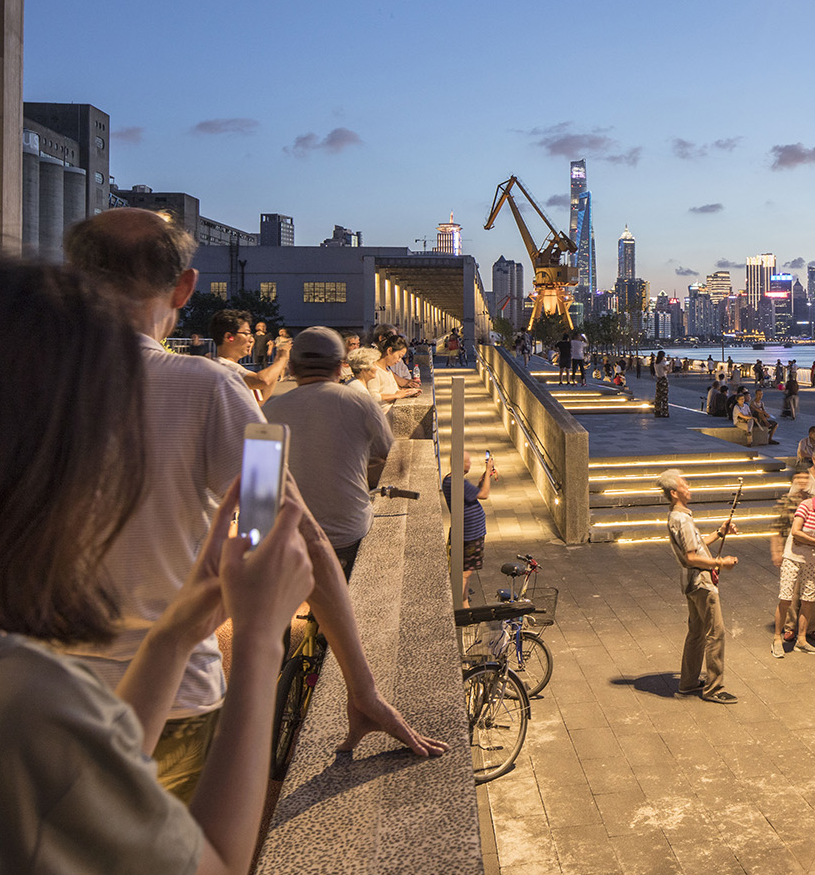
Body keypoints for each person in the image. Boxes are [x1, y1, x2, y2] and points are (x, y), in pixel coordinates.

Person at [0, 247, 317, 875]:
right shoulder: (16, 706)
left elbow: (81, 778)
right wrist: (260, 641)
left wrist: (174, 636)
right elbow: (215, 872)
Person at [62, 209, 444, 799]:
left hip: (29, 699)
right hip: (170, 702)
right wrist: (361, 688)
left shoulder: (1, 385)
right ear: (184, 288)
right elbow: (285, 532)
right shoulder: (211, 388)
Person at [262, 328, 396, 580]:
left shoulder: (270, 412)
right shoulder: (362, 404)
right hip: (349, 529)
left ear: (291, 368)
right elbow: (392, 459)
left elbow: (259, 488)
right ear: (339, 368)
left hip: (293, 534)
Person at [660, 469, 739, 704]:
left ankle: (688, 683)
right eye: (684, 485)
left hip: (690, 584)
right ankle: (714, 688)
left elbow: (695, 545)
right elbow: (692, 558)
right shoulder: (682, 519)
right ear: (674, 493)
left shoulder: (678, 516)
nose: (689, 487)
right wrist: (720, 563)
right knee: (716, 633)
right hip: (701, 584)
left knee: (696, 634)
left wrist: (719, 533)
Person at [774, 476, 815, 657]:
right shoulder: (807, 505)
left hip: (811, 560)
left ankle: (802, 639)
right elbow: (796, 532)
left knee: (808, 600)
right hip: (793, 557)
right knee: (786, 598)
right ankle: (777, 638)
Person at [440, 453, 493, 601]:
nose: (470, 464)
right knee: (465, 572)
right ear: (459, 463)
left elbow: (472, 494)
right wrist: (488, 472)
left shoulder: (450, 479)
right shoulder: (458, 482)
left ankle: (463, 599)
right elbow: (484, 494)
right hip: (470, 533)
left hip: (470, 531)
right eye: (467, 461)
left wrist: (484, 479)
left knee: (465, 571)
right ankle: (462, 604)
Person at [209, 309, 290, 401]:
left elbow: (259, 400)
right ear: (229, 337)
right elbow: (262, 380)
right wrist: (281, 359)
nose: (251, 340)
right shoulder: (224, 366)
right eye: (246, 333)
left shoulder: (232, 367)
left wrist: (277, 362)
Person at [652, 350, 671, 418]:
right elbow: (668, 370)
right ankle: (665, 412)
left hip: (658, 379)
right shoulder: (663, 363)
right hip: (663, 379)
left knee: (658, 396)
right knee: (664, 397)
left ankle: (657, 411)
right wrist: (670, 365)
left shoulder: (656, 363)